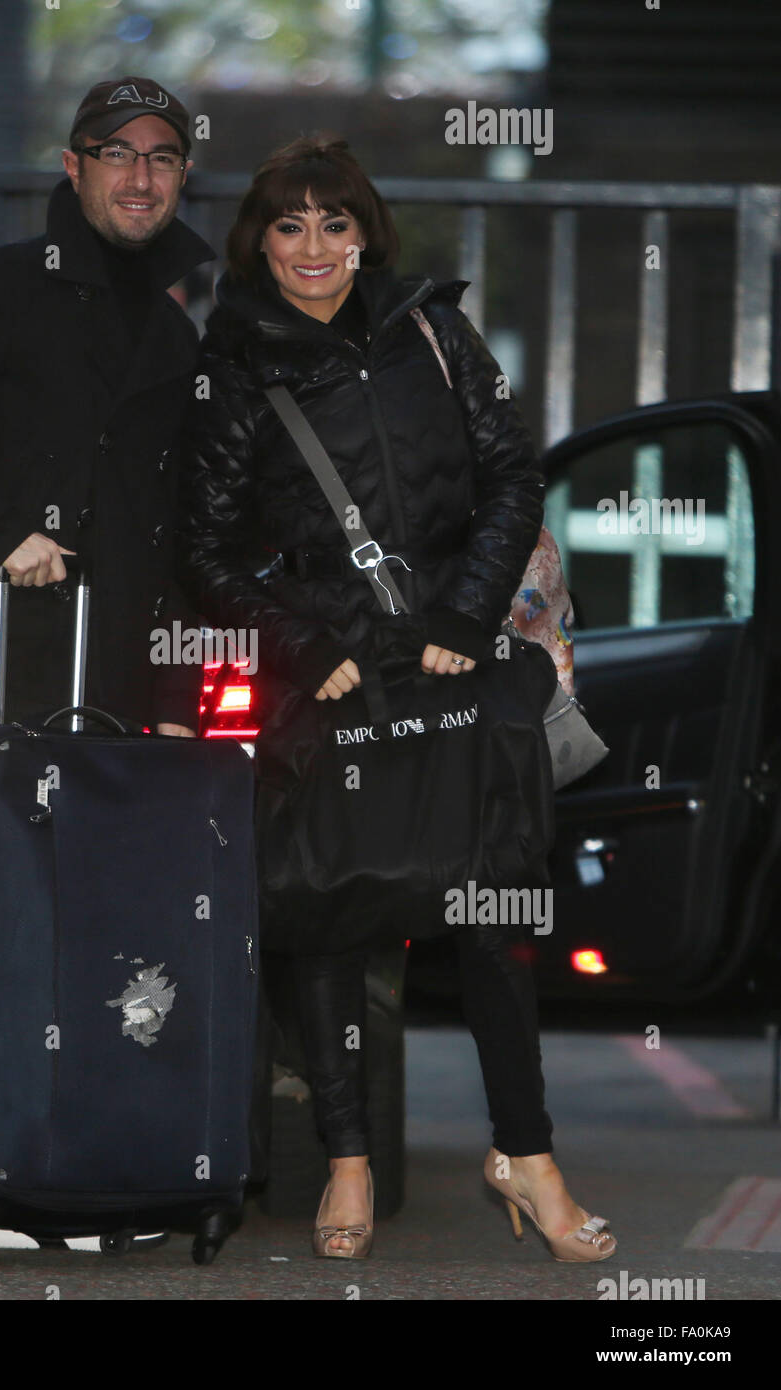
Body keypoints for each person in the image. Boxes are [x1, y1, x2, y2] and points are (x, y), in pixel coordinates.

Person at [177, 135, 617, 1262]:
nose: (314, 247)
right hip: (333, 672)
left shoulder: (433, 327)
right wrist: (300, 641)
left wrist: (466, 621)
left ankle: (527, 1152)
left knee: (493, 916)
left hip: (458, 655)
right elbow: (210, 546)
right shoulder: (232, 365)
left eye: (335, 222)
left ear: (366, 233)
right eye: (289, 226)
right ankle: (345, 1157)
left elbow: (512, 474)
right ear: (259, 242)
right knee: (327, 910)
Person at [0, 76, 212, 735]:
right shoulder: (2, 286)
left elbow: (181, 519)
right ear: (73, 166)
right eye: (116, 153)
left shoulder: (175, 335)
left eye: (160, 158)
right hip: (6, 660)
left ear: (182, 175)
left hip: (126, 681)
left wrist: (174, 697)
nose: (139, 177)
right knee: (7, 837)